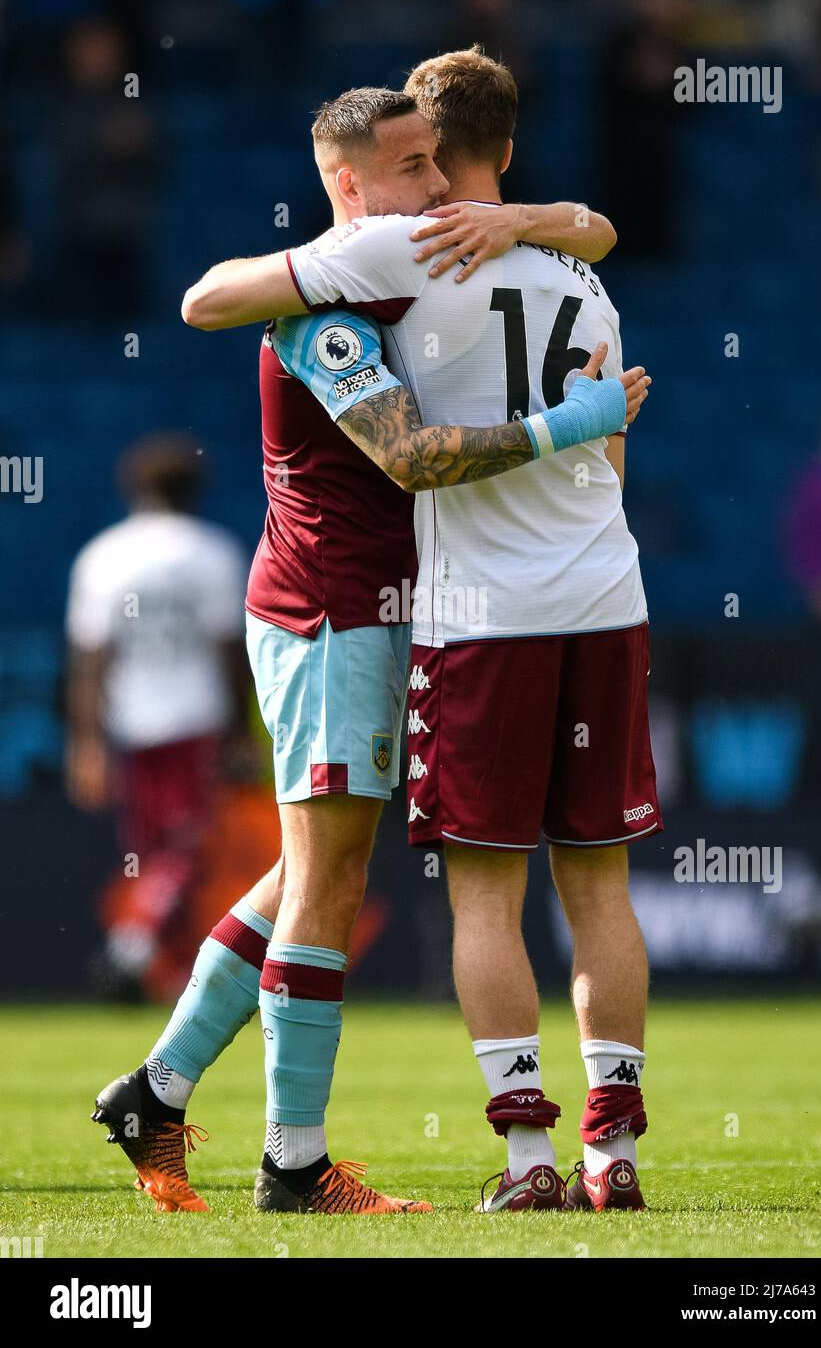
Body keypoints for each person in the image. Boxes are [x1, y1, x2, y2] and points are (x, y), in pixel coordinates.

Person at [92, 85, 643, 1216]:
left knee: (311, 871)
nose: (437, 188)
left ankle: (158, 1088)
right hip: (331, 612)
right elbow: (407, 457)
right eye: (410, 167)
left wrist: (532, 218)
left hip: (389, 610)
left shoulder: (399, 274)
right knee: (330, 879)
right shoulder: (328, 305)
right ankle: (292, 1162)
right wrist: (564, 430)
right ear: (350, 186)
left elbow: (591, 228)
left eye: (442, 161)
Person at [66, 434, 250, 999]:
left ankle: (154, 966)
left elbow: (90, 660)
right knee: (184, 851)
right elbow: (230, 649)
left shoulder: (103, 555)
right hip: (197, 721)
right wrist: (241, 729)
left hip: (132, 725)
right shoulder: (212, 551)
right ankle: (132, 950)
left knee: (151, 854)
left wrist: (86, 741)